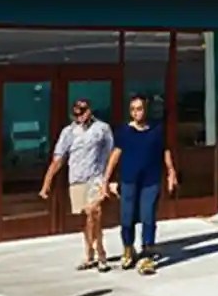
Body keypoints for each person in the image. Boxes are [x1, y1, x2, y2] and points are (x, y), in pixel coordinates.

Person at [101, 94, 178, 274]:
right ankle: (128, 249)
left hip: (150, 181)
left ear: (146, 109)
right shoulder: (124, 132)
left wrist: (171, 172)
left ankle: (147, 255)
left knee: (148, 216)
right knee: (127, 218)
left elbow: (164, 151)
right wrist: (106, 180)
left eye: (140, 108)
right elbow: (115, 155)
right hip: (129, 181)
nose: (137, 112)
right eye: (133, 109)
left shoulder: (156, 130)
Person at [40, 98, 114, 272]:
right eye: (77, 114)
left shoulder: (102, 129)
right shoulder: (69, 132)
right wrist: (47, 183)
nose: (79, 116)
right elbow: (58, 158)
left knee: (94, 212)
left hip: (95, 177)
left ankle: (101, 253)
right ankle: (89, 253)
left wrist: (107, 179)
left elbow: (111, 153)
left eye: (83, 112)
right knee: (87, 219)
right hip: (76, 179)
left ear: (89, 111)